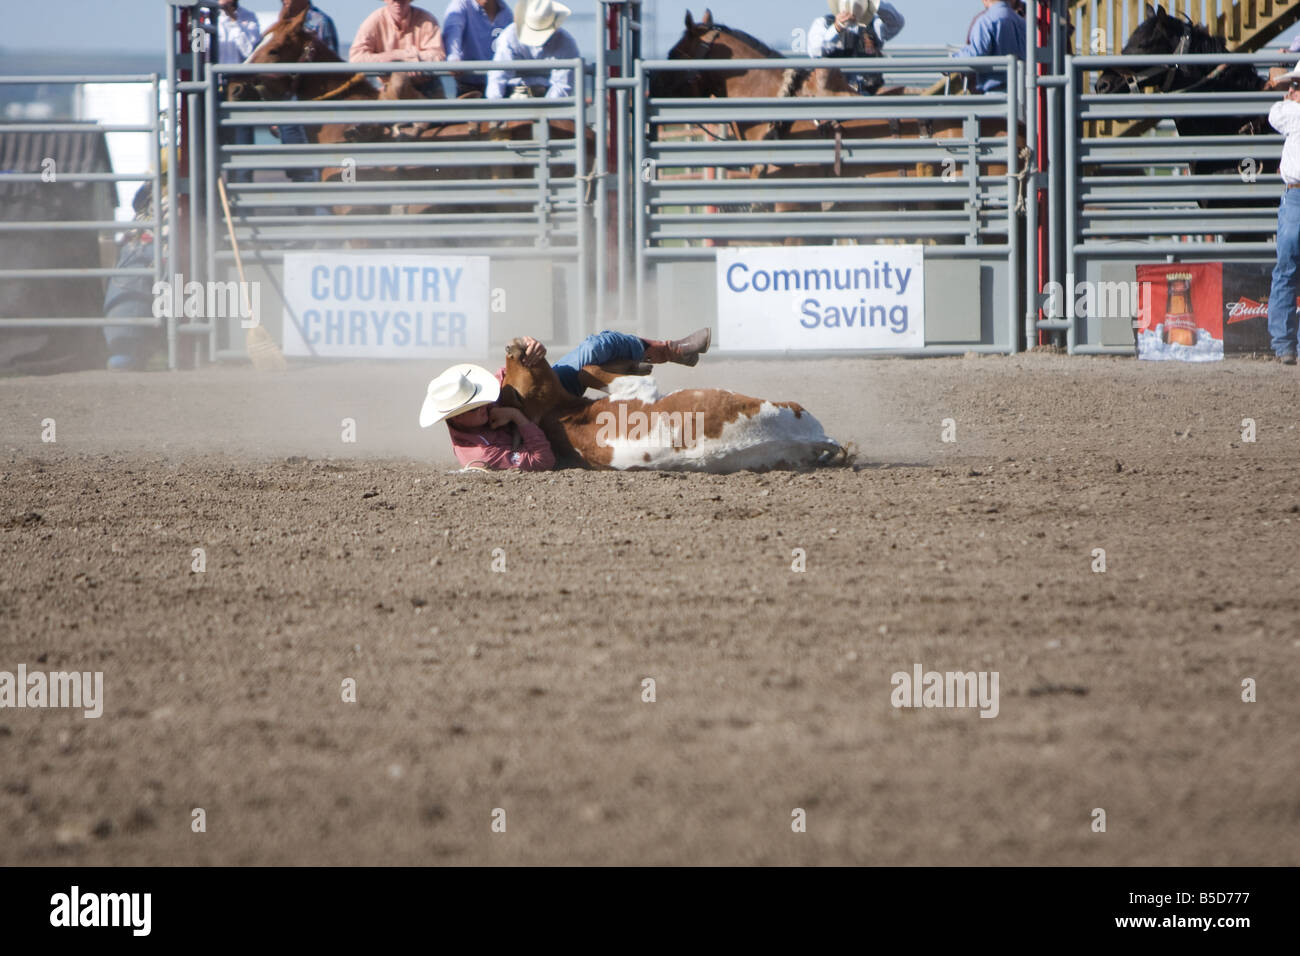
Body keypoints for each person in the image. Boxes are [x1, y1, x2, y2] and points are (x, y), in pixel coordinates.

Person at [420, 329, 712, 470]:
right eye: (474, 407)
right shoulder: (481, 456)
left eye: (479, 399)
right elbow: (541, 459)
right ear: (455, 418)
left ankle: (671, 350)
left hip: (549, 397)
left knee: (597, 344)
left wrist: (529, 346)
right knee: (592, 361)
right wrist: (518, 419)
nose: (485, 404)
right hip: (556, 428)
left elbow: (513, 361)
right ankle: (615, 370)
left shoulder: (488, 395)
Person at [271, 0, 339, 192]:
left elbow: (331, 65)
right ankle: (304, 216)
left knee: (318, 166)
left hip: (313, 106)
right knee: (297, 169)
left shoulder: (320, 22)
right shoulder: (281, 23)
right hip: (288, 106)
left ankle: (318, 216)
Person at [1265, 61, 1300, 363]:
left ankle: (1283, 343)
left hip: (1295, 199)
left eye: (1296, 86)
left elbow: (1275, 114)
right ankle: (1287, 344)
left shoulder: (1291, 113)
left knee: (1286, 271)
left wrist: (1285, 96)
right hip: (1295, 199)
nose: (1292, 90)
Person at [485, 0, 579, 99]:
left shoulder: (565, 42)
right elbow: (499, 76)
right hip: (513, 93)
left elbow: (562, 85)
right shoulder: (509, 37)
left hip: (546, 93)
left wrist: (548, 108)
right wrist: (496, 102)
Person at [215, 0, 262, 183]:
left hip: (239, 90)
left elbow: (250, 52)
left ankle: (242, 197)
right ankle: (217, 201)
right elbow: (200, 52)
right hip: (213, 89)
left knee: (242, 145)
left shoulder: (248, 18)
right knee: (212, 146)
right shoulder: (203, 18)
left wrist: (234, 22)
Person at [442, 0, 514, 97]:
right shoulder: (460, 5)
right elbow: (453, 32)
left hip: (501, 84)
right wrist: (453, 57)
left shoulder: (506, 12)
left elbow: (513, 45)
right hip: (470, 84)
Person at [952, 0, 1025, 94]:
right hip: (1021, 91)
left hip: (995, 92)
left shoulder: (986, 21)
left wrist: (953, 60)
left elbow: (977, 53)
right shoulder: (1022, 22)